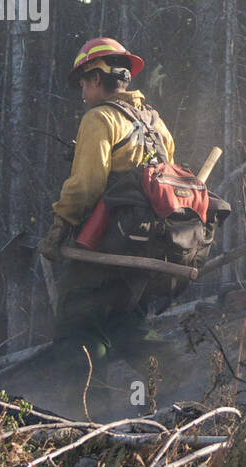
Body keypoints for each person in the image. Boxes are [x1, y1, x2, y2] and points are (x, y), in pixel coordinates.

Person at [38, 37, 175, 374]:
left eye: (83, 83)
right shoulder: (156, 123)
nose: (83, 93)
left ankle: (81, 412)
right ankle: (178, 379)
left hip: (107, 244)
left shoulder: (100, 119)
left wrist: (59, 228)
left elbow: (86, 186)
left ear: (96, 78)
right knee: (124, 320)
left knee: (77, 322)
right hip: (148, 249)